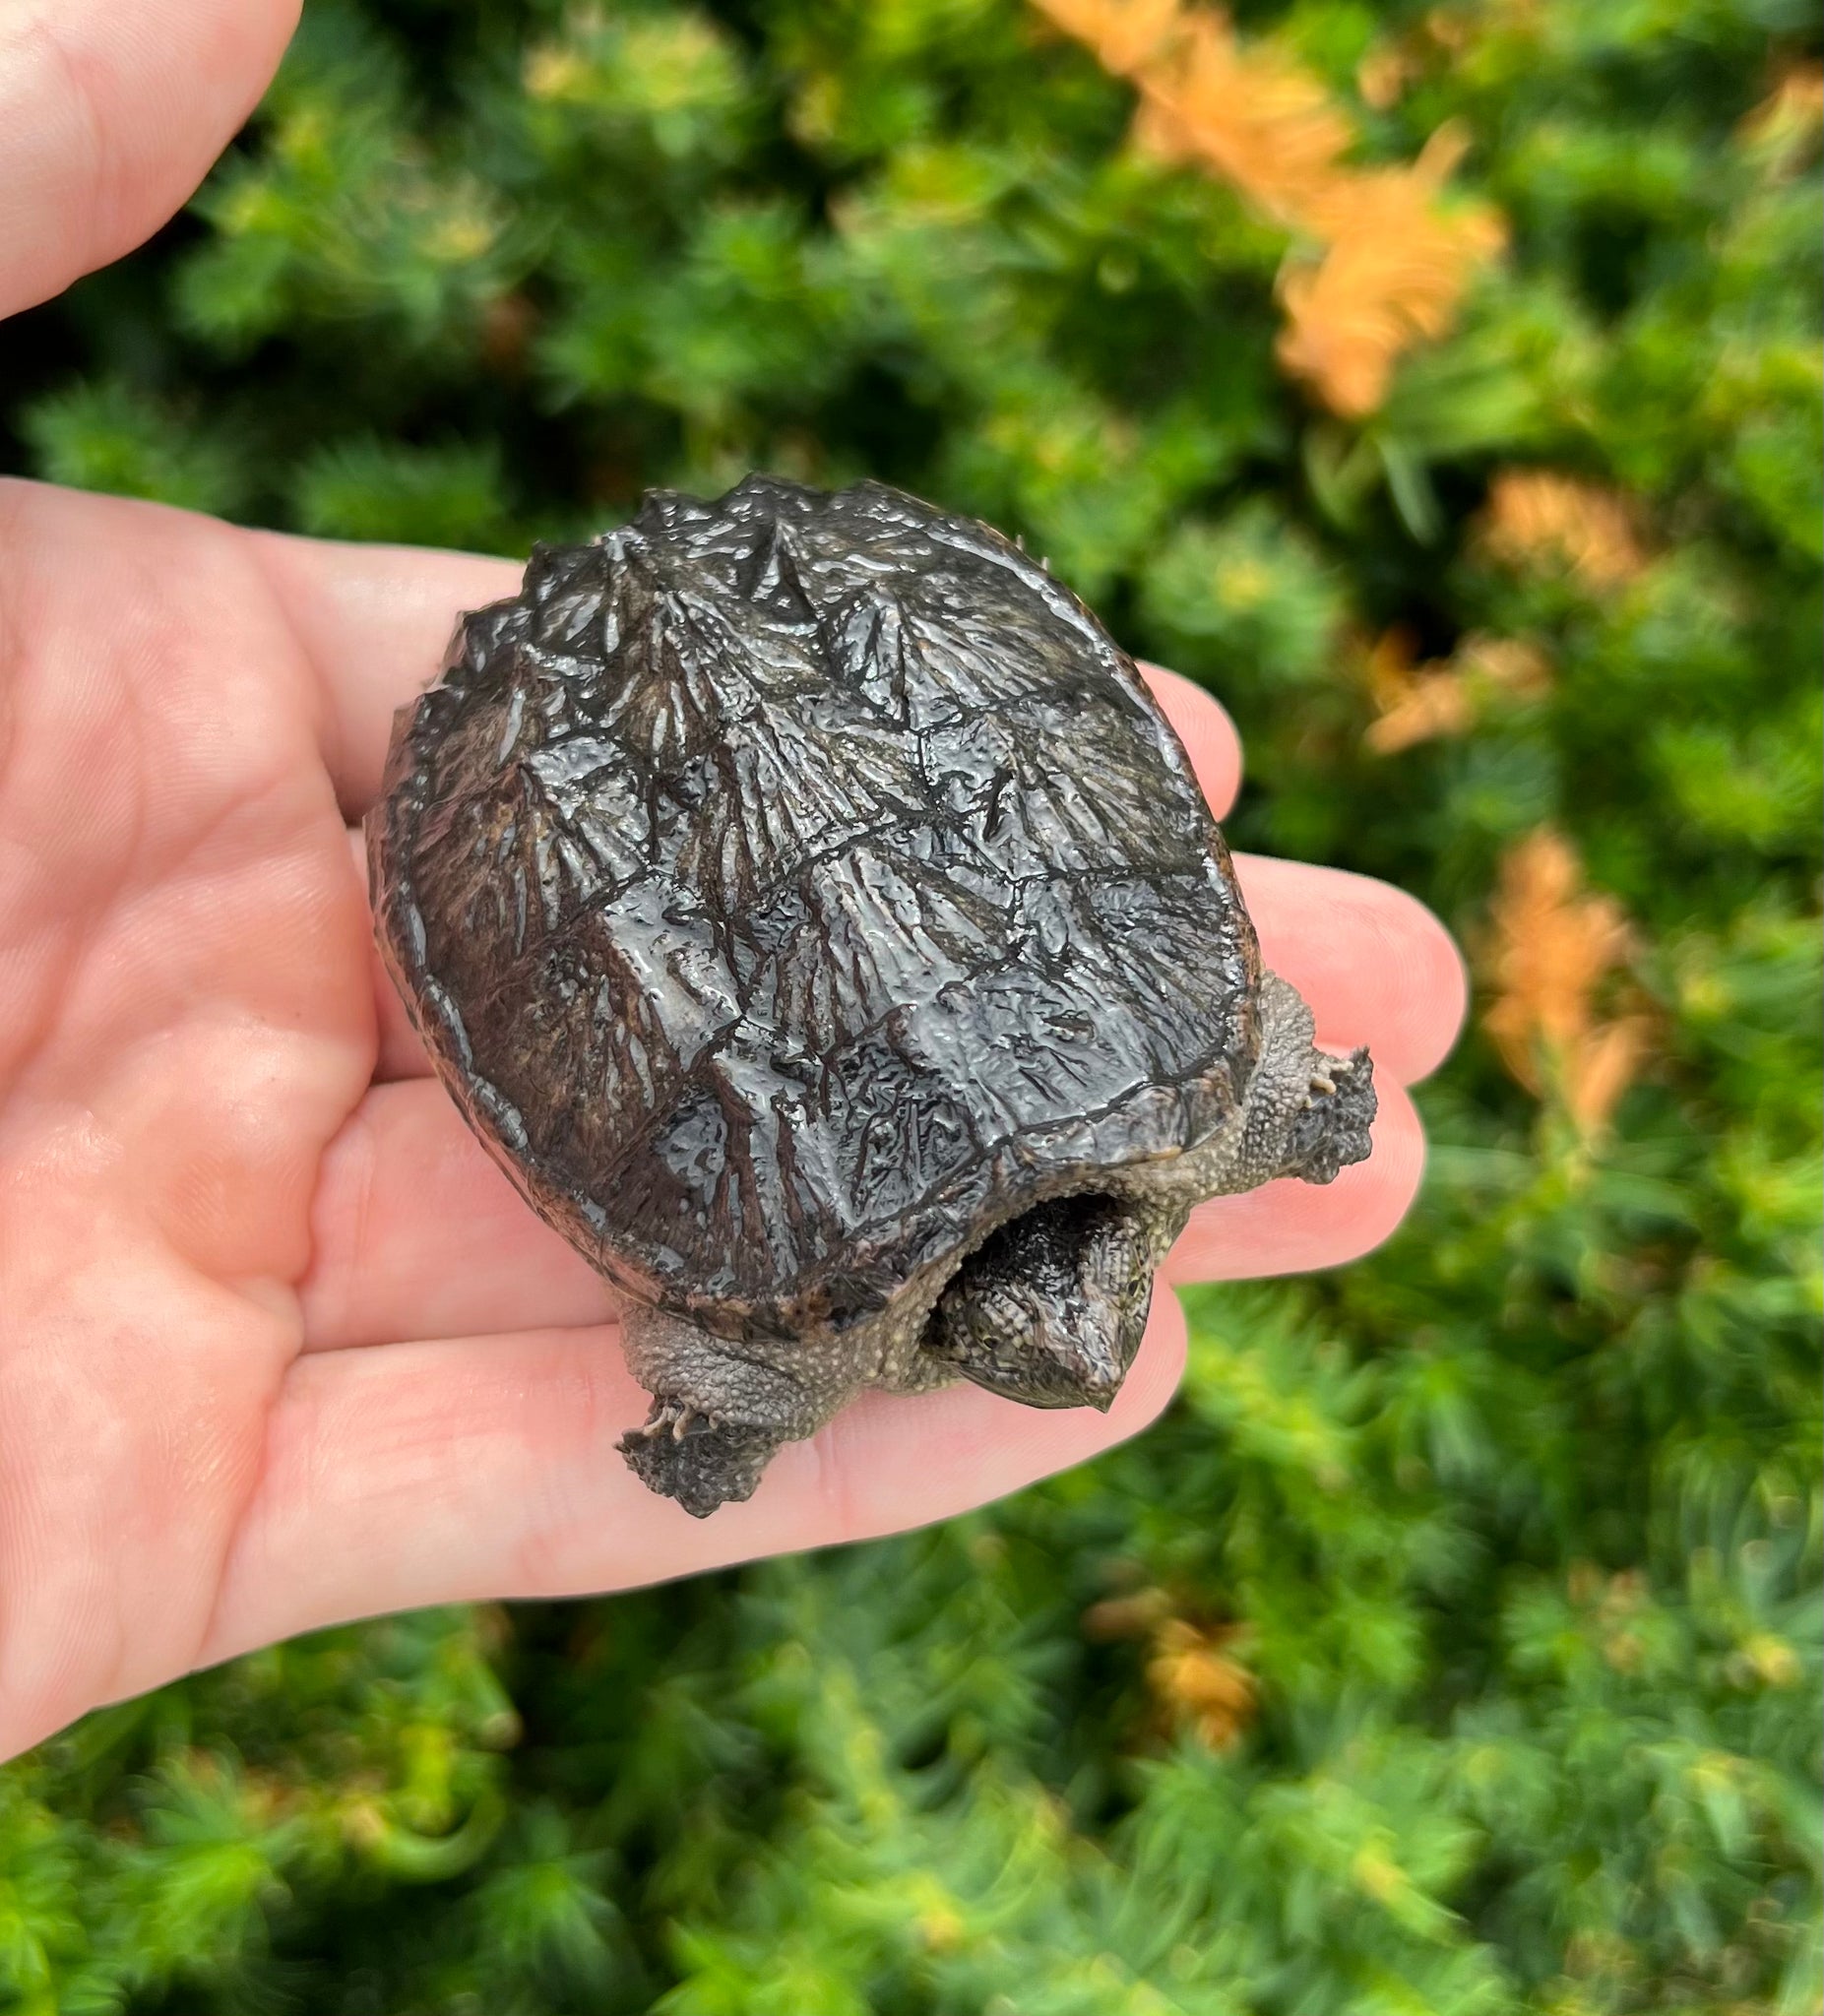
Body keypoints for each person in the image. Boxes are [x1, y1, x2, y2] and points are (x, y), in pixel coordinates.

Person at [0, 0, 1466, 1765]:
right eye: (1071, 1320)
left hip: (651, 715)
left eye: (1053, 1330)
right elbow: (1245, 1047)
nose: (1079, 1357)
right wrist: (1291, 1107)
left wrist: (1274, 1105)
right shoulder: (992, 1217)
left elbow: (1217, 1057)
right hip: (695, 686)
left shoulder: (1014, 1202)